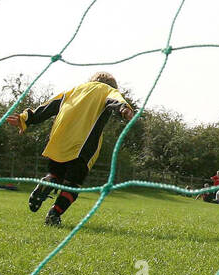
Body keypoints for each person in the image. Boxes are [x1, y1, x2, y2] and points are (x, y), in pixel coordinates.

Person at [7, 72, 134, 227]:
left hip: (59, 140)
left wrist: (25, 118)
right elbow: (116, 100)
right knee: (72, 185)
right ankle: (54, 213)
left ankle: (49, 180)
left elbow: (49, 106)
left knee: (57, 174)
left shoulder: (73, 90)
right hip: (82, 145)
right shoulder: (107, 90)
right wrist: (124, 109)